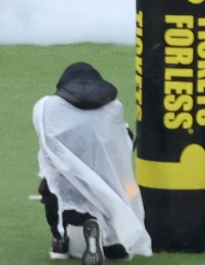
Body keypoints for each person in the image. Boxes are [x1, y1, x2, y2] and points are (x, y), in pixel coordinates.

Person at [33, 62, 150, 264]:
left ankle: (60, 241)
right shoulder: (114, 108)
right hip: (108, 191)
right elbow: (127, 140)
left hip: (66, 190)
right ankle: (112, 243)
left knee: (50, 184)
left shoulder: (47, 107)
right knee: (122, 187)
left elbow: (48, 151)